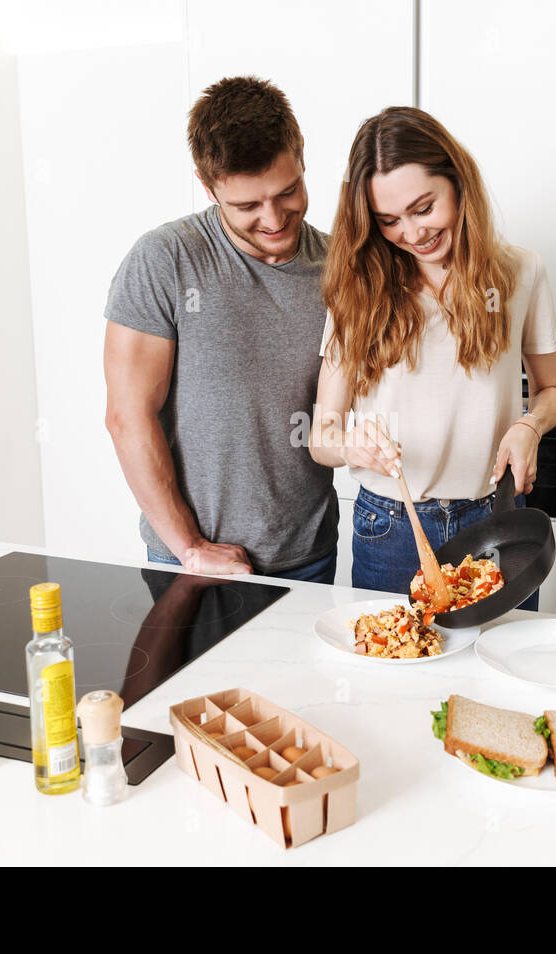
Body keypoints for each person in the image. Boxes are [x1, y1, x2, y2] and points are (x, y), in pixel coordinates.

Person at [310, 107, 556, 607]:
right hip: (391, 527)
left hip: (496, 520)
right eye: (388, 220)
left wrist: (529, 426)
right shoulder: (359, 288)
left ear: (457, 184)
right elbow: (322, 437)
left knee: (497, 676)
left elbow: (551, 393)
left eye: (424, 208)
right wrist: (351, 447)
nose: (412, 232)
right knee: (394, 678)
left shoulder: (521, 273)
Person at [103, 76, 338, 584]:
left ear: (301, 156)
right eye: (247, 206)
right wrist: (190, 548)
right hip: (190, 562)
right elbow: (127, 416)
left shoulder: (342, 266)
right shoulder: (164, 260)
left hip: (309, 558)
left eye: (288, 191)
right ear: (207, 186)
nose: (274, 219)